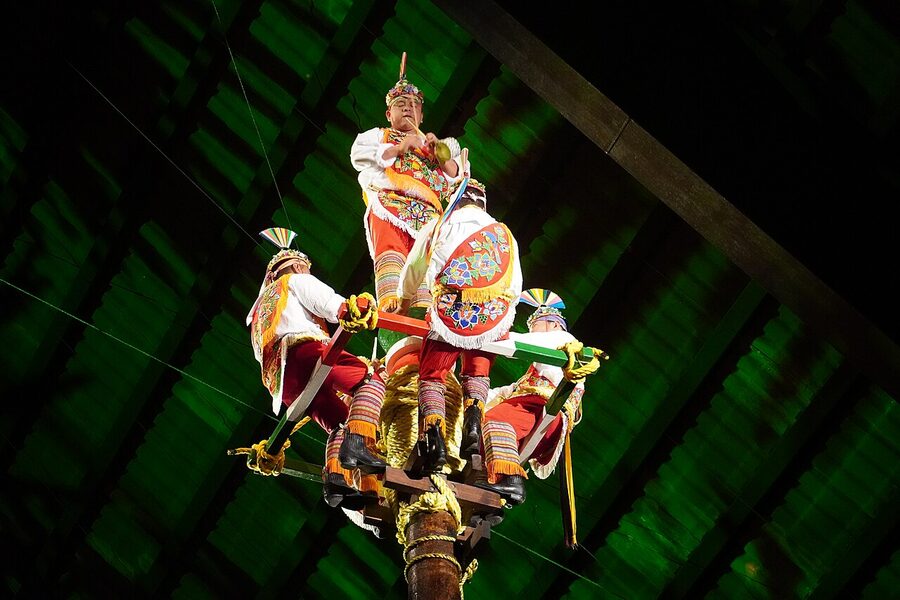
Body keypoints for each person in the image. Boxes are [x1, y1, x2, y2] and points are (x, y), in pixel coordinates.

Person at [246, 228, 386, 505]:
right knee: (370, 378)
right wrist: (349, 309)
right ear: (298, 266)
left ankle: (336, 479)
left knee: (340, 423)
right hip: (306, 355)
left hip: (285, 386)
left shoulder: (261, 310)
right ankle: (360, 444)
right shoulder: (295, 280)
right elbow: (327, 302)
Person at [395, 180, 523, 471]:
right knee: (479, 365)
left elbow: (415, 267)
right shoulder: (504, 233)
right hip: (492, 317)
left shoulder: (442, 224)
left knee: (432, 374)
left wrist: (404, 302)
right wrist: (496, 315)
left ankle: (435, 439)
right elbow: (514, 283)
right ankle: (474, 422)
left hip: (451, 316)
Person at [350, 52, 464, 316]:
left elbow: (458, 176)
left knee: (427, 263)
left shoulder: (437, 147)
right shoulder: (381, 135)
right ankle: (391, 306)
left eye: (414, 104)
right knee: (393, 252)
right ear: (389, 113)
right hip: (391, 206)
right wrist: (399, 147)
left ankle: (425, 308)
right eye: (401, 103)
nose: (408, 108)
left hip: (430, 219)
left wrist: (441, 156)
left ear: (422, 115)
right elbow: (359, 156)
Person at [476, 289, 598, 507]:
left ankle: (512, 481)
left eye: (536, 325)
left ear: (554, 325)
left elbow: (521, 343)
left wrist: (485, 333)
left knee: (493, 421)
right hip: (534, 412)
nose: (532, 331)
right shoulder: (536, 373)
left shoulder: (564, 340)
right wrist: (471, 399)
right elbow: (505, 392)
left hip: (543, 411)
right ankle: (496, 487)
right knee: (478, 426)